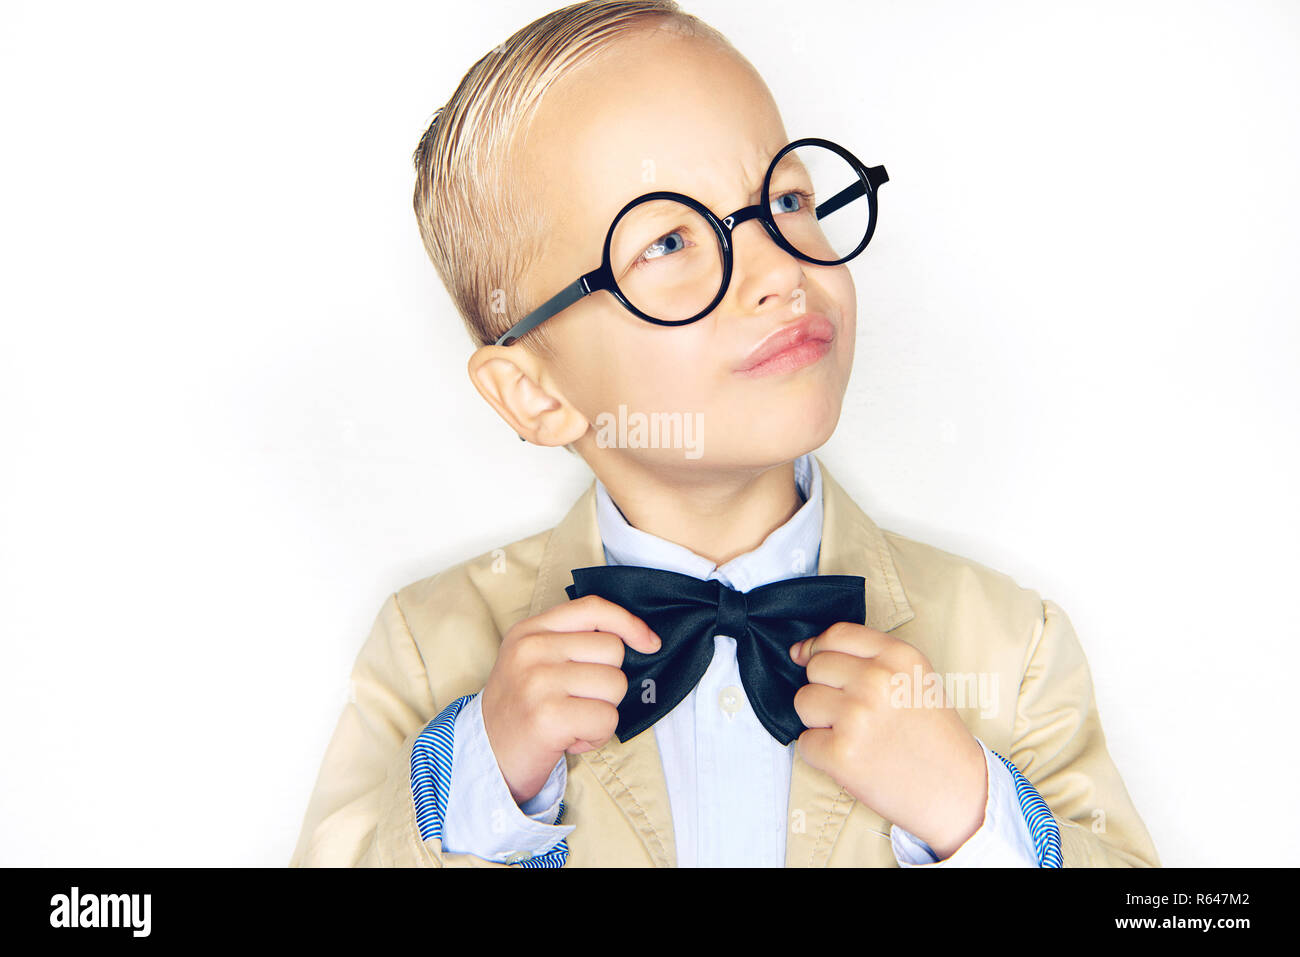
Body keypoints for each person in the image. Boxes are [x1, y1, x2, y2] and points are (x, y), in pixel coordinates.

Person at [289, 0, 1159, 868]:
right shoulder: (428, 646)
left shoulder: (1012, 646)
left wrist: (972, 813)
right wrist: (482, 782)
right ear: (533, 391)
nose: (779, 266)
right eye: (667, 241)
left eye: (786, 198)